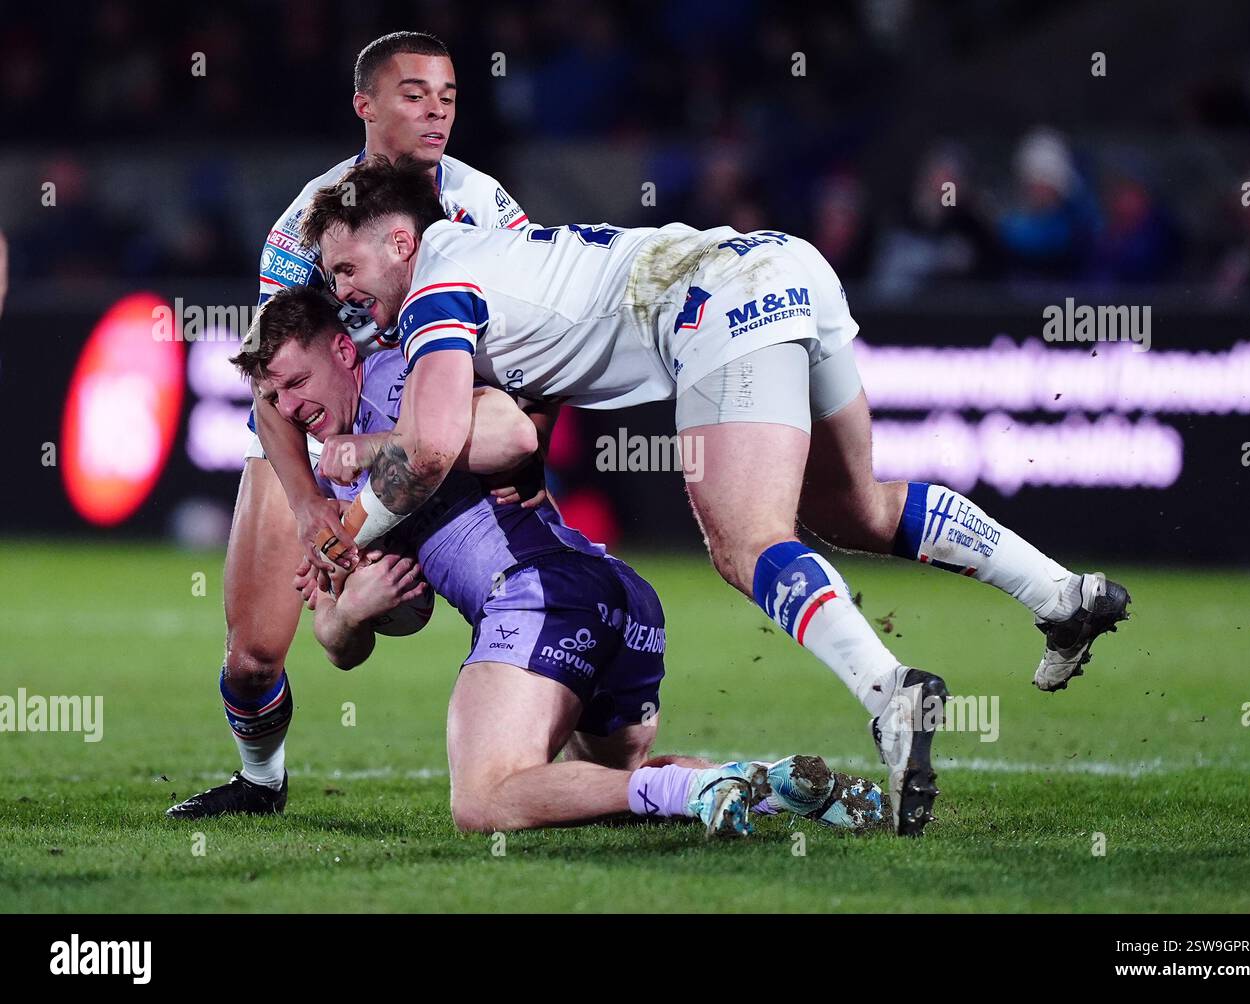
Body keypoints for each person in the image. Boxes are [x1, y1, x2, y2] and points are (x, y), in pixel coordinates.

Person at [271, 153, 1133, 837]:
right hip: (786, 265)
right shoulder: (473, 266)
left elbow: (428, 447)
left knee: (744, 542)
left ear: (398, 240)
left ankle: (888, 695)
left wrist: (340, 526)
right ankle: (1058, 593)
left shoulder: (431, 290)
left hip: (714, 302)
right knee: (851, 508)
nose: (341, 291)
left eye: (346, 266)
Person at [172, 287, 884, 838]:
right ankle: (766, 782)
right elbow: (334, 639)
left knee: (485, 800)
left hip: (540, 595)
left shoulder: (405, 380)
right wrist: (353, 611)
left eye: (297, 383)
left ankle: (700, 790)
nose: (290, 408)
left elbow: (511, 431)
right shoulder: (326, 486)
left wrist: (377, 447)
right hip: (614, 602)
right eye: (270, 399)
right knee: (604, 790)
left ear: (344, 351)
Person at [190, 31, 532, 820]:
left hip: (435, 424)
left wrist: (529, 471)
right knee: (251, 656)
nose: (435, 111)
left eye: (448, 96)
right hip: (323, 436)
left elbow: (533, 351)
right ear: (365, 106)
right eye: (414, 94)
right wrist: (310, 503)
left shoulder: (487, 209)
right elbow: (269, 379)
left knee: (547, 587)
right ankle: (260, 779)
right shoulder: (304, 228)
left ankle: (598, 764)